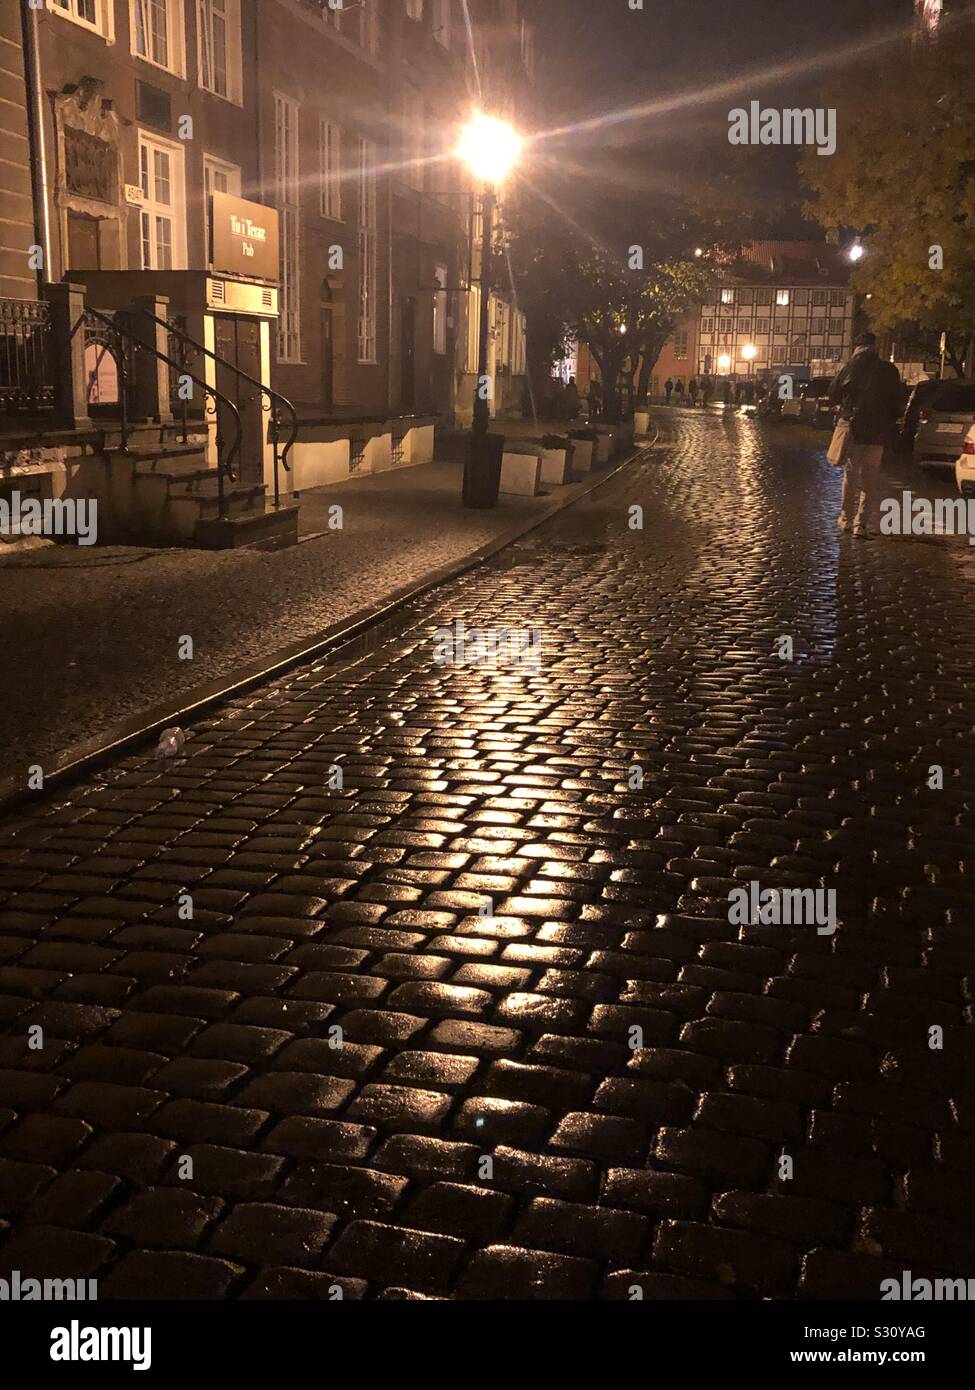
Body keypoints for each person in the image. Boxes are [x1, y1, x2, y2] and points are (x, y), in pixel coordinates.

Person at [828, 333, 902, 538]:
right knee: (870, 480)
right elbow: (897, 402)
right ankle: (862, 523)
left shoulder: (850, 367)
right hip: (877, 433)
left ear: (857, 347)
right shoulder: (889, 370)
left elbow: (832, 392)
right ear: (874, 347)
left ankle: (846, 519)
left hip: (855, 430)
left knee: (850, 478)